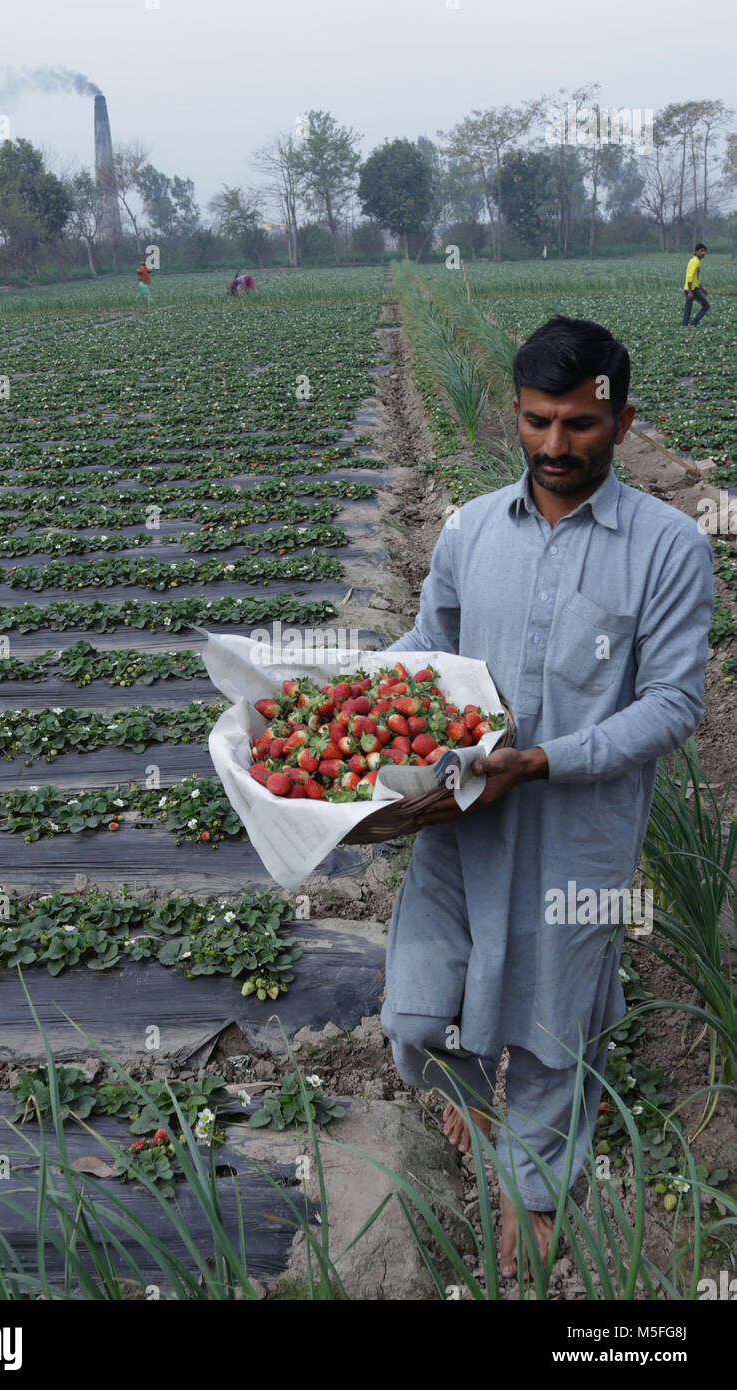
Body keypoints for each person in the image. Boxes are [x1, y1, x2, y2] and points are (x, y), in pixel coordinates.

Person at [380, 316, 713, 1278]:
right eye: (537, 423)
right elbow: (423, 649)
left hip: (577, 832)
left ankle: (533, 1188)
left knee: (552, 1024)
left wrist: (547, 760)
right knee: (413, 1021)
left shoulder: (666, 549)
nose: (556, 446)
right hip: (458, 821)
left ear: (621, 420)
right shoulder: (472, 529)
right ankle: (473, 1096)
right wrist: (332, 693)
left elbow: (674, 704)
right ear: (516, 418)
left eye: (578, 425)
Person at [683, 242, 710, 325]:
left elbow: (695, 279)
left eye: (704, 251)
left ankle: (685, 325)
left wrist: (702, 289)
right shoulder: (695, 262)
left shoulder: (695, 261)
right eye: (701, 251)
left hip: (690, 288)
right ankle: (692, 323)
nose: (703, 253)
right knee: (706, 306)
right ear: (696, 251)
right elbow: (689, 277)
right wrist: (690, 292)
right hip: (692, 289)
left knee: (688, 308)